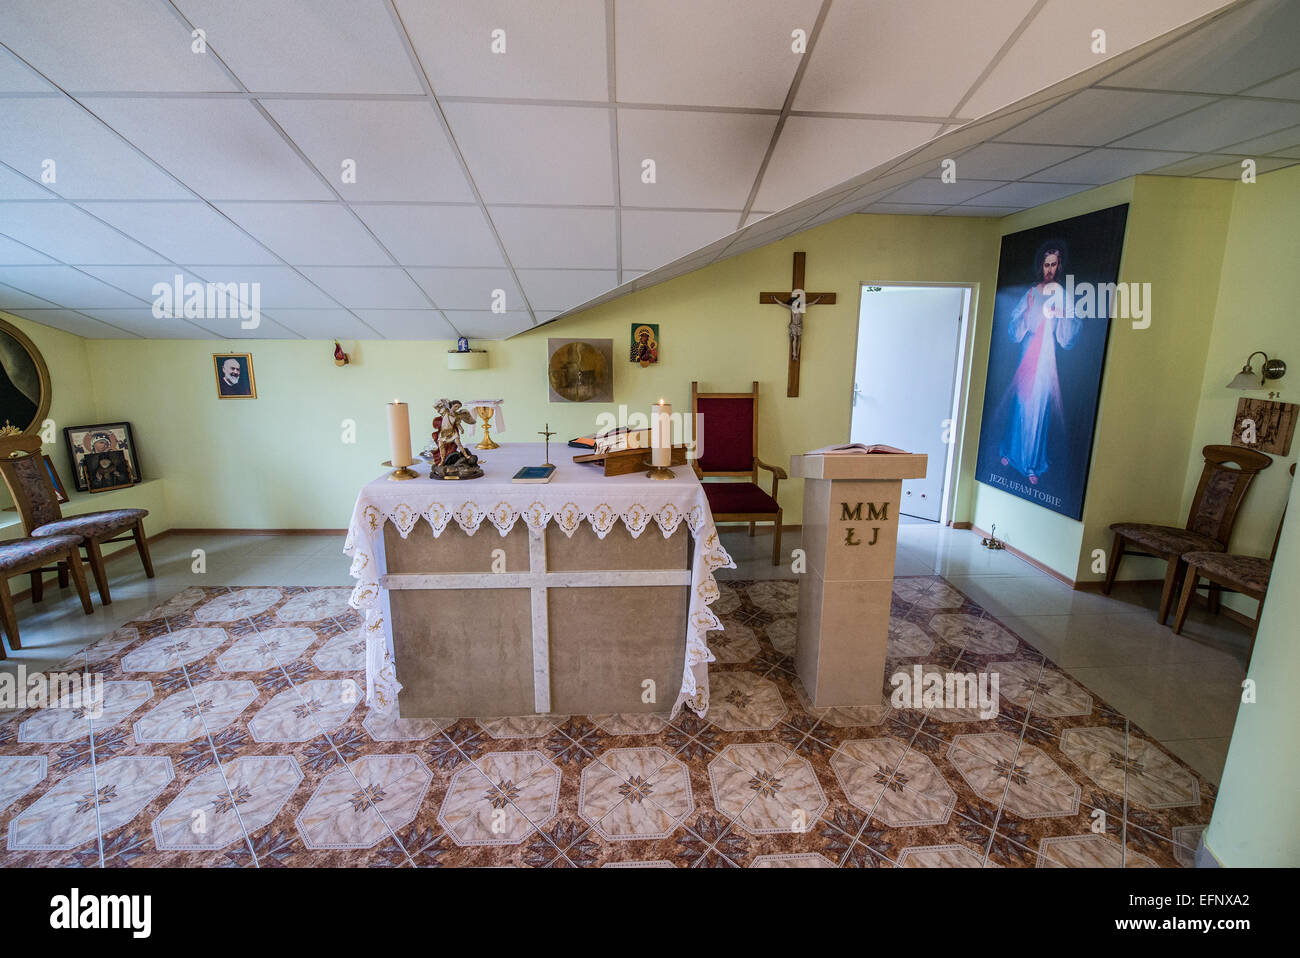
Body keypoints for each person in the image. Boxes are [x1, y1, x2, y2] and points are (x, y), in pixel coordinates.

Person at [997, 242, 1081, 486]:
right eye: (1046, 265)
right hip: (1028, 353)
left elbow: (1071, 325)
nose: (1050, 269)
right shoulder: (1032, 292)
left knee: (1039, 407)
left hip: (1046, 358)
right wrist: (1028, 314)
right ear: (1041, 266)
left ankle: (1031, 463)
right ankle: (1010, 453)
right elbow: (1016, 323)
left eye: (1054, 264)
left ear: (1059, 266)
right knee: (1020, 404)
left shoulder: (1061, 294)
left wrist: (1060, 314)